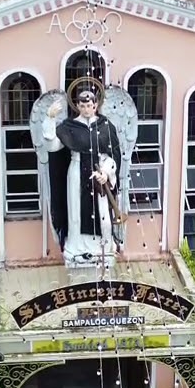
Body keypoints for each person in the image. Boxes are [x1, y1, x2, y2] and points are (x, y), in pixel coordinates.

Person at [42, 84, 124, 267]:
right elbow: (52, 146)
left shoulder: (105, 126)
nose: (87, 109)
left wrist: (107, 172)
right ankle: (77, 249)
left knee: (102, 212)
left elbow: (114, 155)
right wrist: (49, 118)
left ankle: (104, 248)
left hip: (100, 174)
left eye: (91, 105)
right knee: (76, 212)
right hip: (77, 172)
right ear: (78, 106)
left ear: (96, 105)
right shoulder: (69, 126)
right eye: (83, 105)